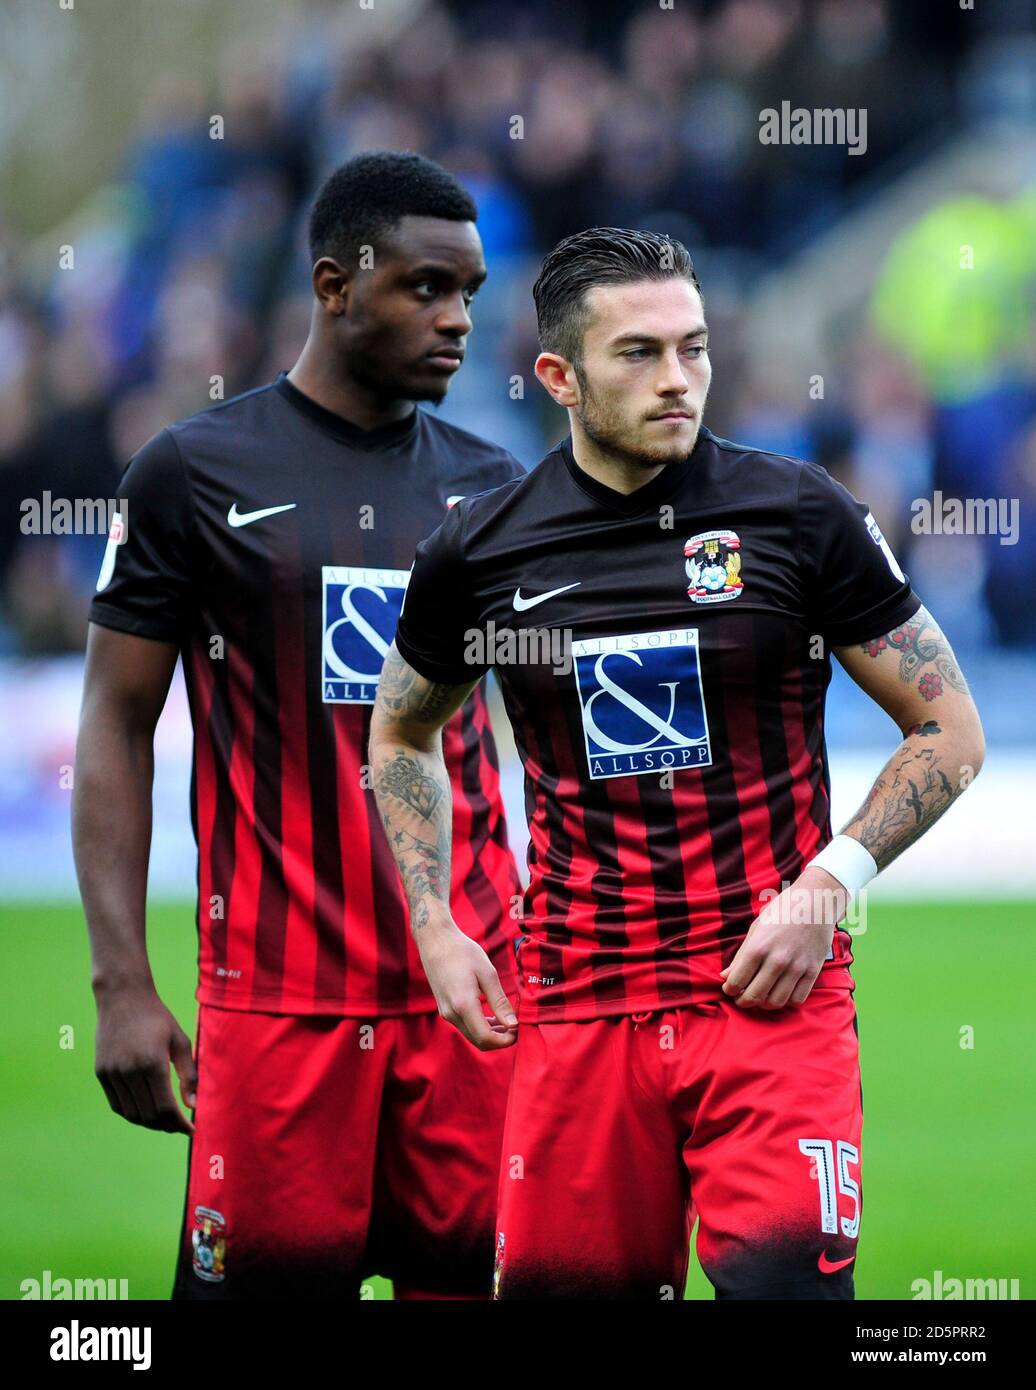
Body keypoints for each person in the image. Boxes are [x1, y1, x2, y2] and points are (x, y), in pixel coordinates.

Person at [369, 226, 986, 1300]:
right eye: (639, 353)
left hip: (765, 994)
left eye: (692, 348)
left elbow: (948, 732)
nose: (677, 380)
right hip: (574, 1005)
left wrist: (827, 888)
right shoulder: (480, 551)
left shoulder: (796, 515)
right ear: (557, 375)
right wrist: (434, 921)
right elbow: (401, 731)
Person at [72, 151, 524, 1300]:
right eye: (425, 287)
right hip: (280, 1012)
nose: (457, 318)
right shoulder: (190, 474)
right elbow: (117, 722)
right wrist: (120, 982)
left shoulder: (496, 488)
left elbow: (538, 739)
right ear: (334, 286)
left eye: (469, 290)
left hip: (473, 995)